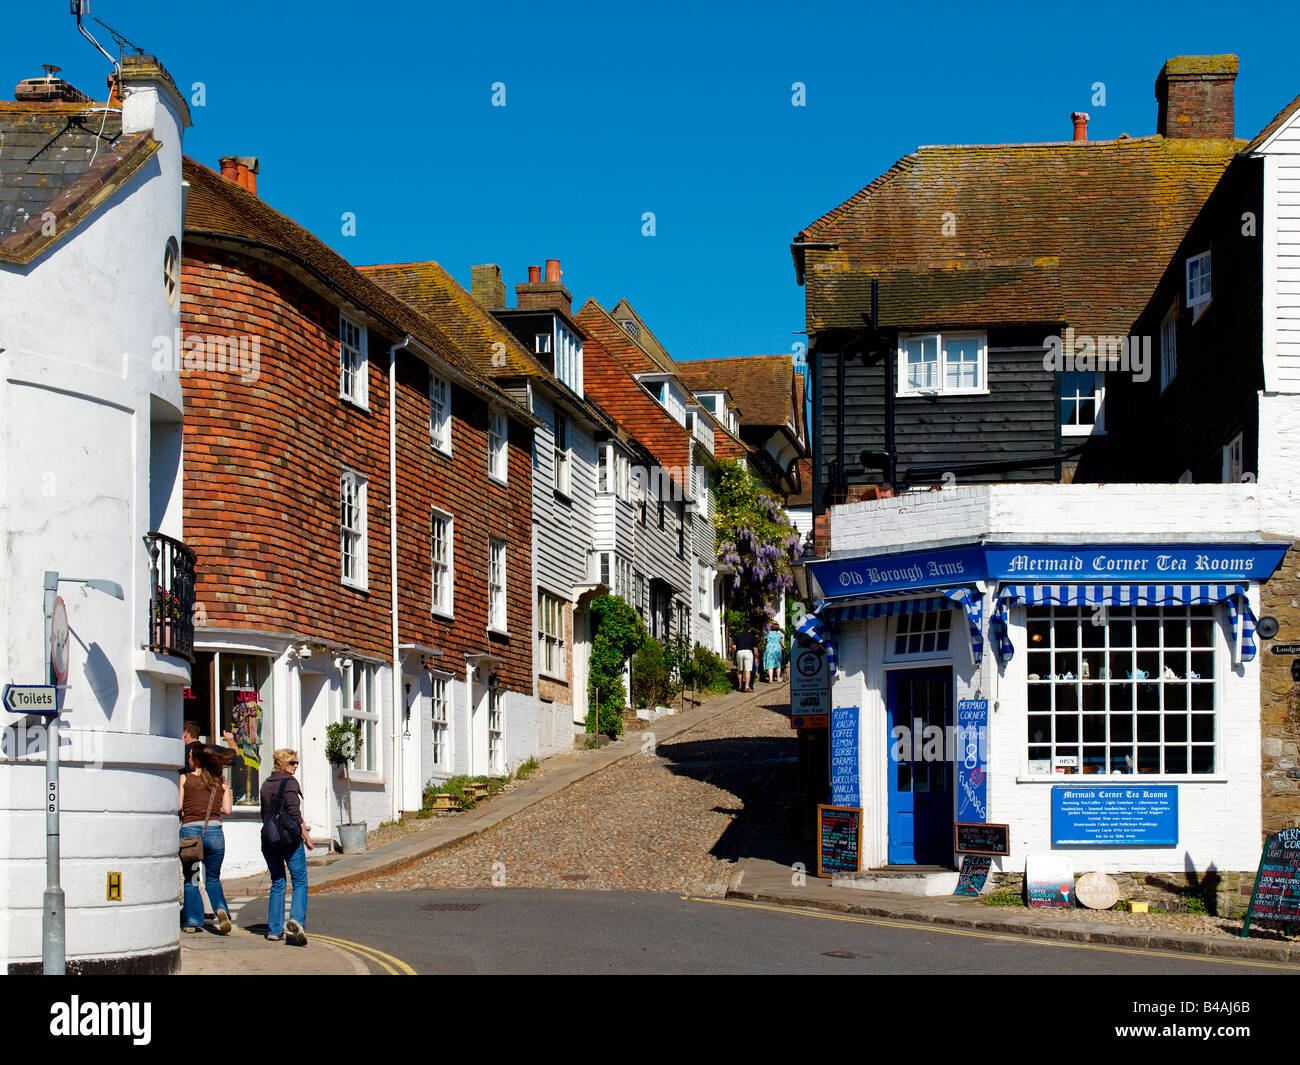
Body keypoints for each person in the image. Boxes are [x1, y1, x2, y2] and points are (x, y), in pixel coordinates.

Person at [179, 742, 235, 934]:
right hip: (215, 832)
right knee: (213, 878)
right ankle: (220, 909)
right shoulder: (220, 782)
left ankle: (192, 921)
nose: (188, 760)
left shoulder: (184, 779)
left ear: (195, 760)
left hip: (190, 834)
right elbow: (227, 810)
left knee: (192, 878)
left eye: (189, 757)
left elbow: (178, 807)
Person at [260, 748, 314, 946]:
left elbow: (264, 813)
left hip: (269, 838)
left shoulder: (266, 784)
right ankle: (297, 921)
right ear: (282, 764)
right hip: (289, 839)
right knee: (299, 880)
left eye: (296, 762)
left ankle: (274, 930)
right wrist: (306, 837)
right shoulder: (290, 783)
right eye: (292, 763)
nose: (296, 766)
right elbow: (294, 813)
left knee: (278, 882)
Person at [731, 625, 758, 692]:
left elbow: (734, 646)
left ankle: (740, 686)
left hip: (739, 652)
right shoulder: (752, 636)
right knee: (748, 670)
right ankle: (746, 686)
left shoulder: (738, 635)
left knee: (740, 670)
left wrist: (736, 653)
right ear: (750, 629)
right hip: (748, 652)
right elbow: (755, 648)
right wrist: (756, 656)